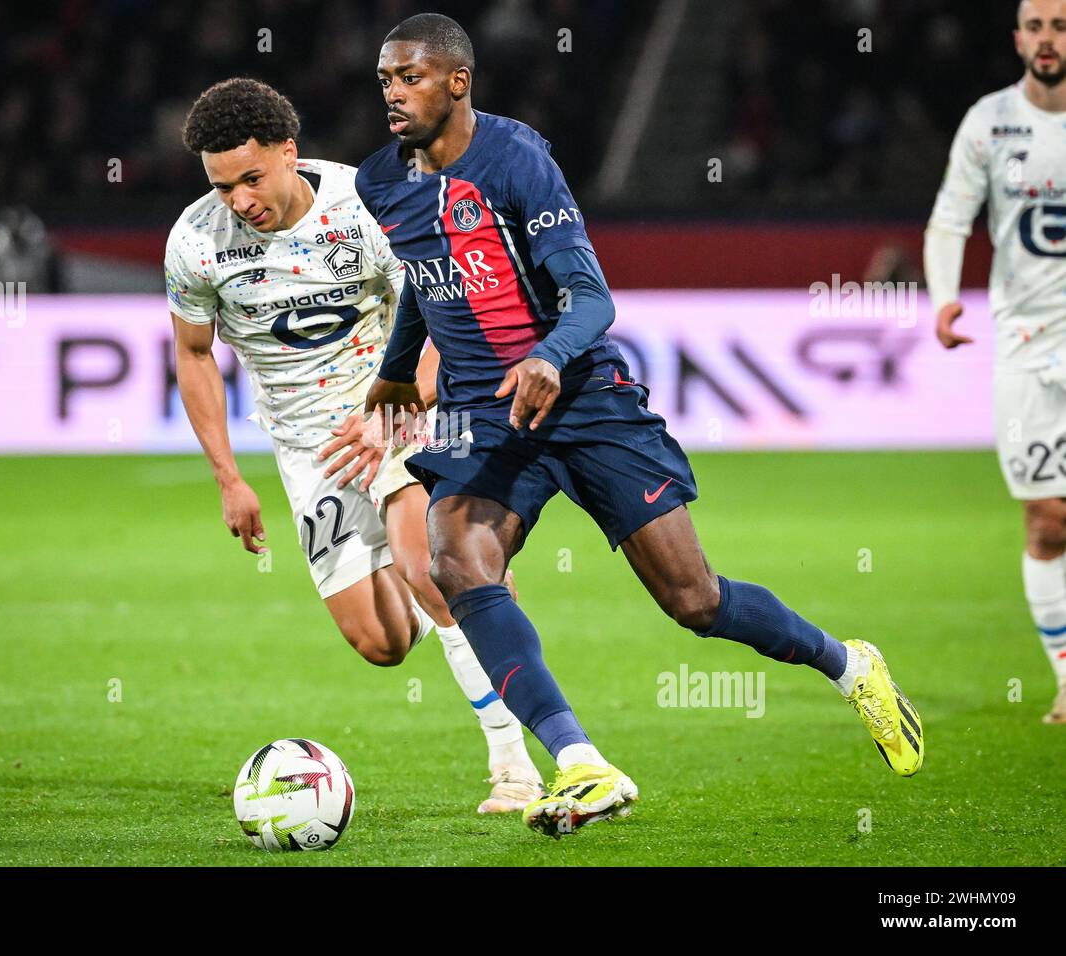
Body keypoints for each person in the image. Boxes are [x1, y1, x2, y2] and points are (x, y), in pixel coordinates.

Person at [353, 14, 923, 839]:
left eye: (408, 77)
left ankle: (847, 663)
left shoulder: (517, 160)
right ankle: (579, 762)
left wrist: (548, 356)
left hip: (584, 399)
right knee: (458, 560)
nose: (393, 95)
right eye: (384, 81)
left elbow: (592, 299)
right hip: (480, 413)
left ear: (457, 81)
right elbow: (422, 276)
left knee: (694, 600)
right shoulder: (382, 181)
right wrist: (400, 367)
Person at [163, 78, 543, 814]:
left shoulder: (365, 203)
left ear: (288, 153)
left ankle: (515, 765)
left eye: (251, 177)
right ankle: (469, 594)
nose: (239, 199)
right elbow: (193, 354)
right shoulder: (195, 242)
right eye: (222, 185)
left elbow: (442, 309)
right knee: (381, 643)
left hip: (395, 407)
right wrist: (228, 478)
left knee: (433, 569)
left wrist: (403, 401)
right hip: (308, 447)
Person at [925, 0, 1066, 724]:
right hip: (1025, 347)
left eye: (1061, 26)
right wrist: (946, 298)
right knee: (1046, 521)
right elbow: (952, 215)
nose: (1048, 40)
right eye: (1037, 27)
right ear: (1018, 39)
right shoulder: (990, 121)